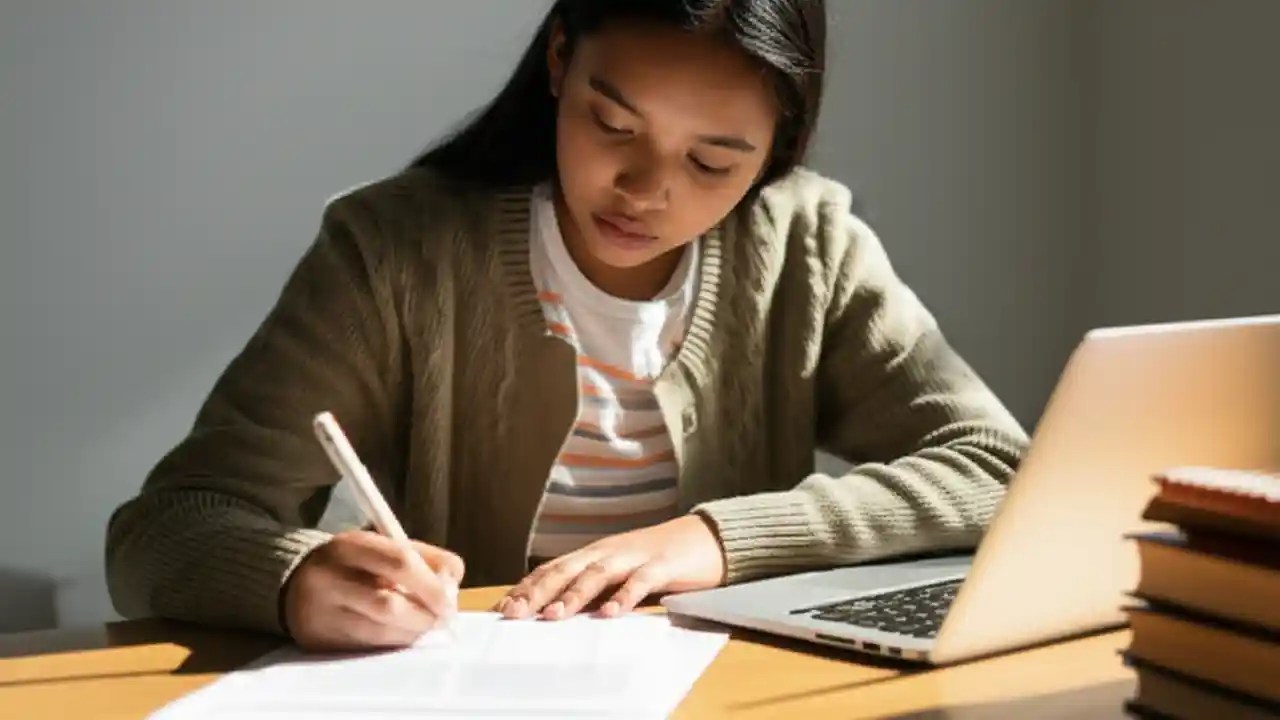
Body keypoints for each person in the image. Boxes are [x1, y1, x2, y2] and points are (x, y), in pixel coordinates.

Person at [105, 0, 1028, 653]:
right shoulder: (393, 250)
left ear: (778, 150)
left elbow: (996, 466)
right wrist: (294, 579)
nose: (646, 190)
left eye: (713, 160)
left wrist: (716, 540)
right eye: (612, 123)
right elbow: (165, 530)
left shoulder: (808, 244)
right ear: (559, 62)